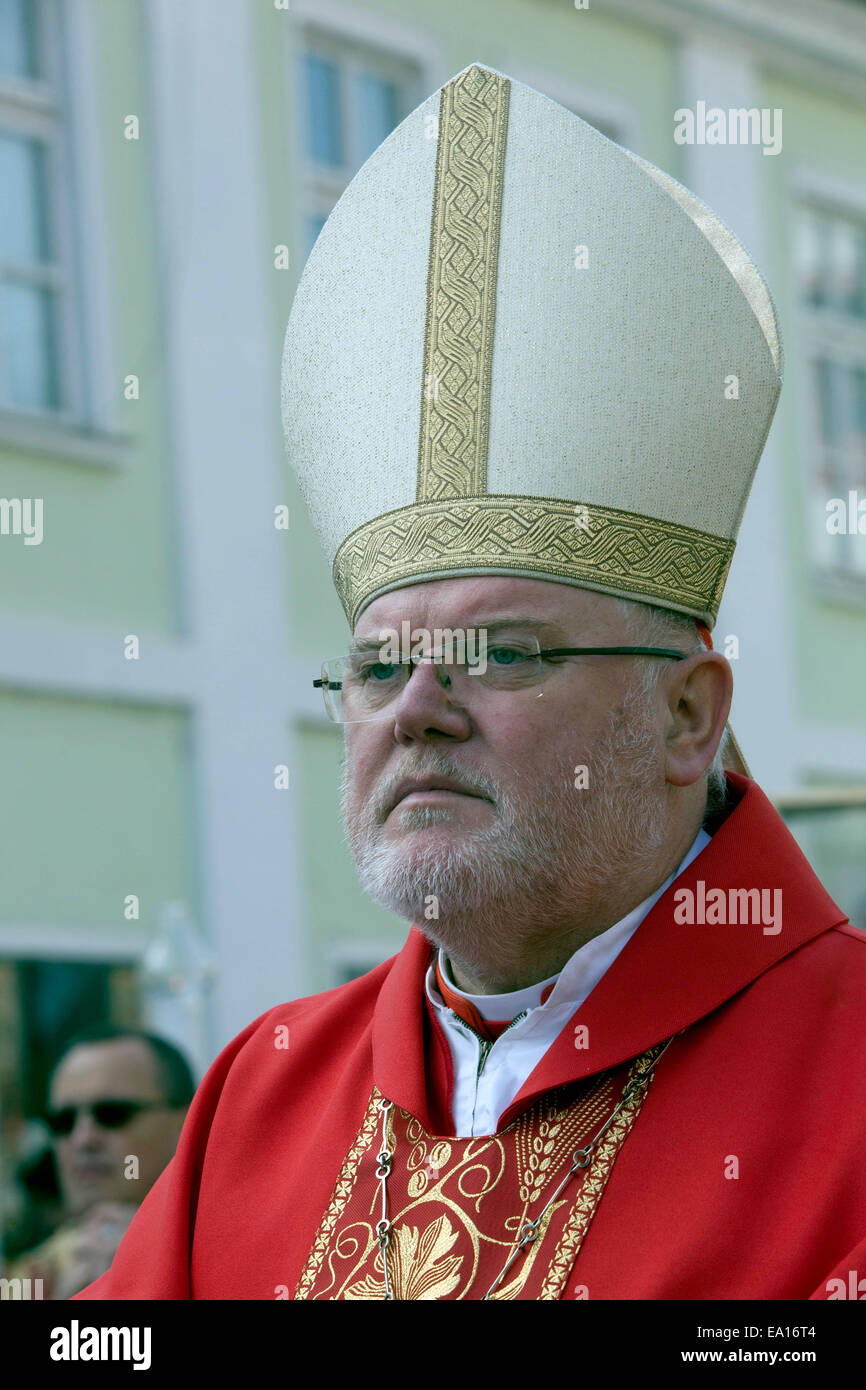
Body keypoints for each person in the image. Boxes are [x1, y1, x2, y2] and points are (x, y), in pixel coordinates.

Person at [75, 63, 866, 1301]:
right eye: (380, 662)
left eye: (504, 652)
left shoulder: (847, 1076)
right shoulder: (256, 1092)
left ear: (682, 714)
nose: (415, 709)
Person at [9, 1024, 193, 1298]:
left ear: (188, 1123)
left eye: (112, 1114)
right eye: (64, 1122)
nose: (83, 1140)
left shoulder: (238, 1257)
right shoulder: (26, 1281)